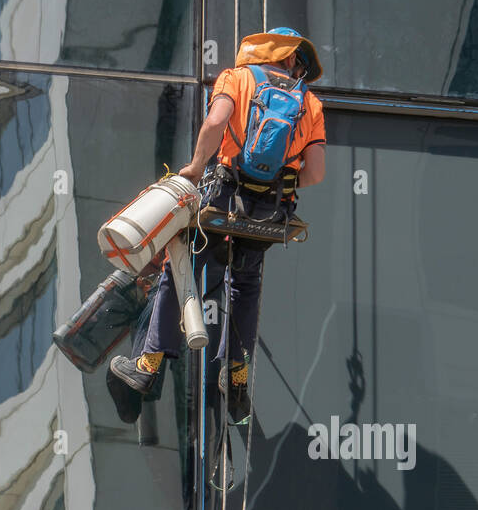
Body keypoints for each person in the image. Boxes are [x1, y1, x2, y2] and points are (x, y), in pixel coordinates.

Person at [110, 27, 326, 425]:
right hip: (269, 211)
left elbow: (215, 124)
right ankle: (237, 378)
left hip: (225, 198)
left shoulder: (237, 78)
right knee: (245, 285)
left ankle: (147, 365)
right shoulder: (309, 102)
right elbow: (315, 173)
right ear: (294, 60)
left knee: (181, 272)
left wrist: (194, 169)